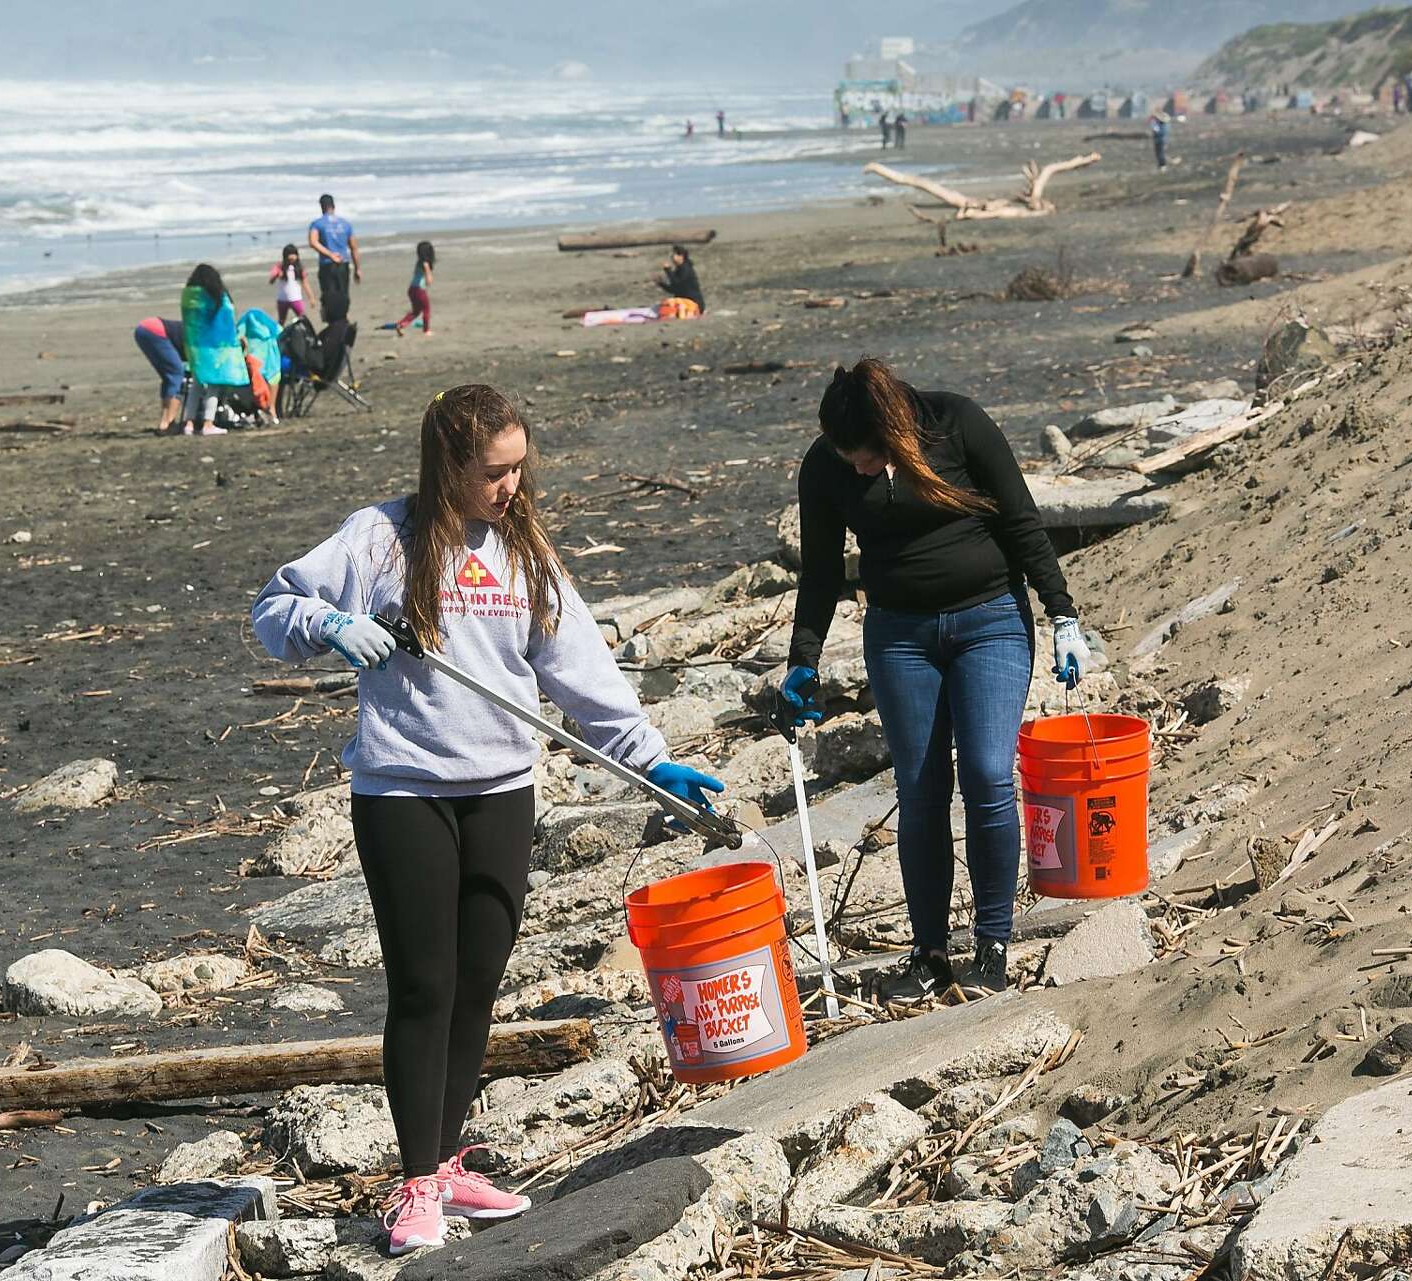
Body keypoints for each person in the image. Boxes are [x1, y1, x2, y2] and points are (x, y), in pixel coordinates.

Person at [251, 384, 724, 1256]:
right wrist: (330, 621)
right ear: (450, 464)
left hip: (503, 790)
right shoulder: (380, 537)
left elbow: (582, 672)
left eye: (519, 468)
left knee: (478, 984)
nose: (511, 485)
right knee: (425, 985)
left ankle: (447, 1158)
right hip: (405, 792)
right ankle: (414, 1184)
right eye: (495, 471)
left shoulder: (525, 552)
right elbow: (272, 611)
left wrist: (651, 757)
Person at [777, 358, 1088, 1003]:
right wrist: (802, 657)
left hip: (991, 621)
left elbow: (1021, 522)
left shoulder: (957, 423)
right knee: (920, 787)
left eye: (863, 455)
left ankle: (994, 940)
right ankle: (928, 950)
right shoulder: (826, 465)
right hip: (899, 635)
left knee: (985, 771)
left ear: (890, 433)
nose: (856, 467)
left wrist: (1062, 614)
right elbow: (822, 572)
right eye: (846, 456)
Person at [178, 264, 247, 437]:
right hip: (215, 348)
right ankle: (208, 424)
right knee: (214, 385)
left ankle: (189, 424)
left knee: (197, 384)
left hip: (195, 347)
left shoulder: (189, 296)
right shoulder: (217, 297)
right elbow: (227, 318)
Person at [309, 193, 361, 325]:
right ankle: (343, 321)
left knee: (329, 296)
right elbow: (354, 247)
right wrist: (357, 268)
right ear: (334, 206)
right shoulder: (345, 224)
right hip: (343, 264)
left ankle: (333, 324)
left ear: (322, 206)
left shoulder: (318, 224)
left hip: (328, 264)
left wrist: (329, 254)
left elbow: (313, 242)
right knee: (343, 294)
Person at [133, 315, 186, 433]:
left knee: (169, 377)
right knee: (176, 374)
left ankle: (164, 421)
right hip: (156, 331)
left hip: (145, 328)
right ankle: (169, 422)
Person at [269, 243, 316, 325]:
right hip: (282, 299)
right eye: (289, 255)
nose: (291, 257)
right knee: (281, 321)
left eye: (293, 254)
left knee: (302, 319)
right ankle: (280, 336)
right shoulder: (279, 267)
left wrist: (311, 298)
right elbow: (271, 281)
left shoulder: (299, 268)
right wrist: (276, 276)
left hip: (296, 298)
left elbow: (305, 283)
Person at [396, 240, 436, 337]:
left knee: (416, 311)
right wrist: (430, 279)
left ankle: (401, 324)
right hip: (419, 290)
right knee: (426, 310)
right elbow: (428, 279)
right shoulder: (425, 264)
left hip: (412, 289)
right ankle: (426, 330)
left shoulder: (419, 262)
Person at [654, 244, 704, 313]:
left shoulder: (686, 268)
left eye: (674, 255)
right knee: (661, 307)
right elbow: (675, 289)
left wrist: (668, 270)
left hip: (694, 304)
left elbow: (677, 283)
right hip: (684, 302)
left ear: (681, 256)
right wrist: (660, 283)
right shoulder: (679, 269)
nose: (672, 257)